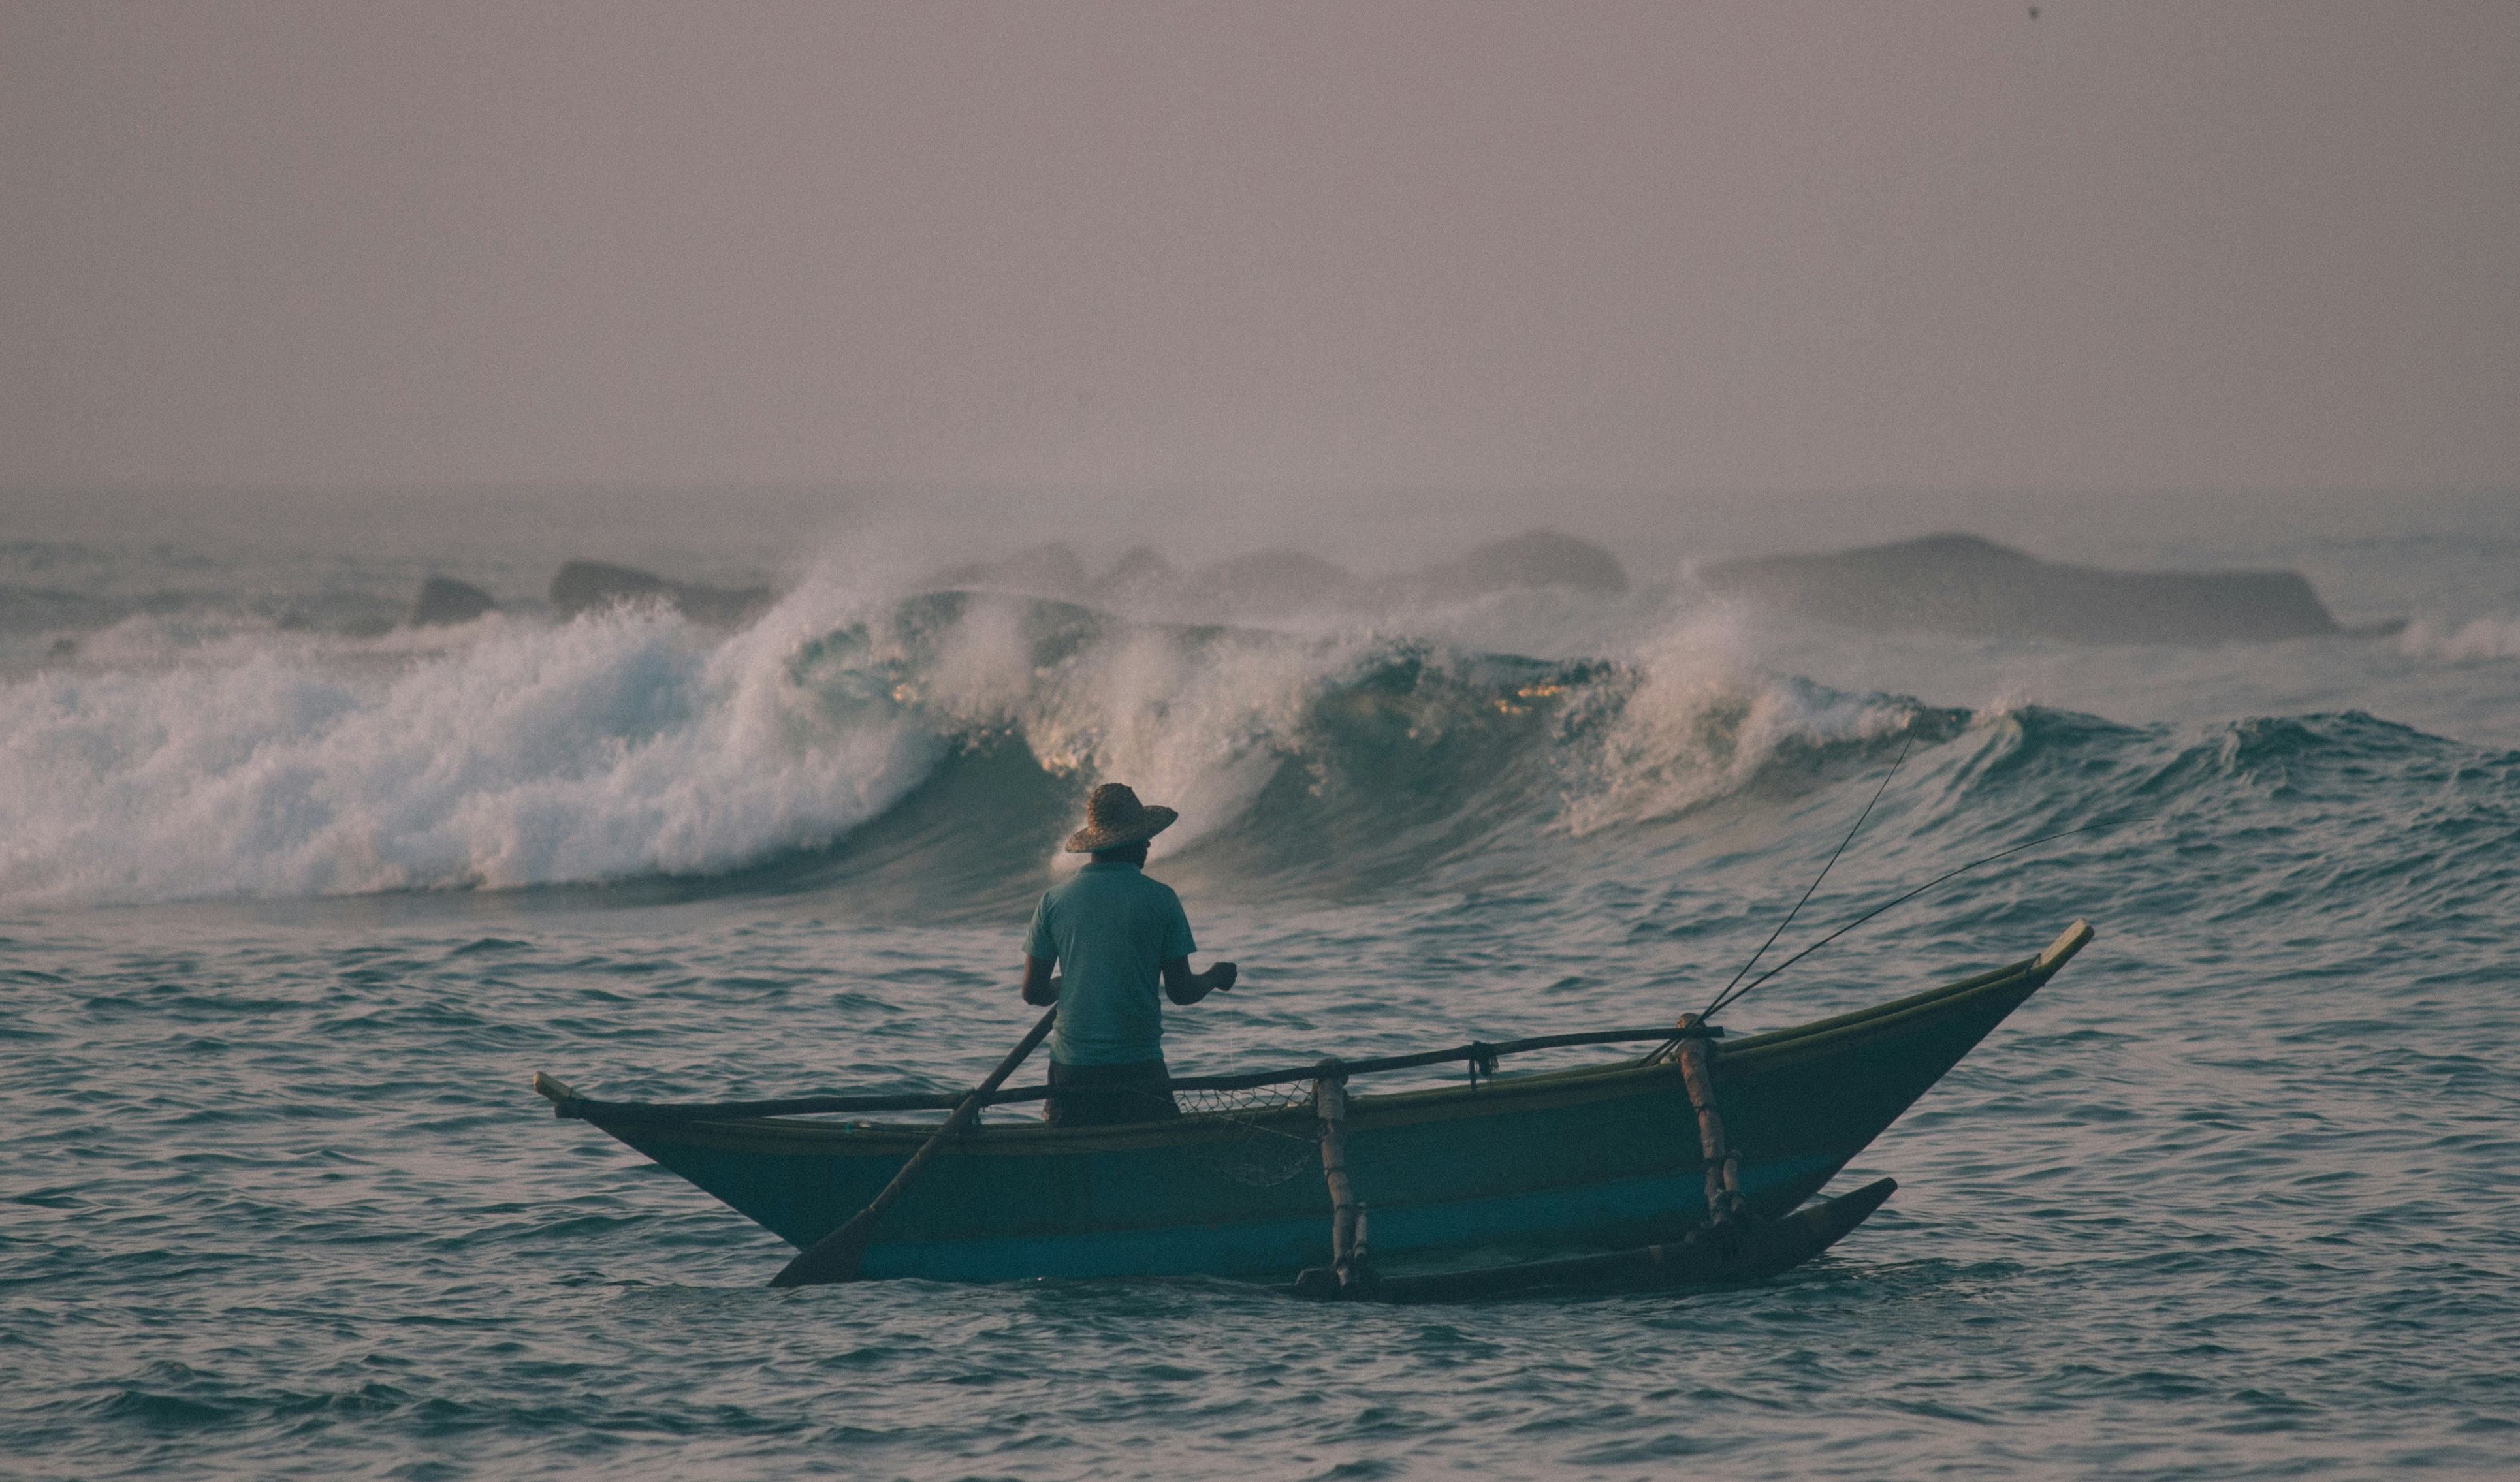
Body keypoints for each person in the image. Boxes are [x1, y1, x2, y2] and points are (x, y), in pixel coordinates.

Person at [1021, 782, 1238, 1126]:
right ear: (1131, 841)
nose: (1149, 843)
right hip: (1139, 1067)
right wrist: (1215, 976)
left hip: (1072, 1068)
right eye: (1144, 836)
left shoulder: (1053, 901)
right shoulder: (1161, 899)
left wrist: (1064, 987)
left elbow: (1033, 993)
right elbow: (1181, 993)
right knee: (1155, 1158)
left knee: (1074, 1160)